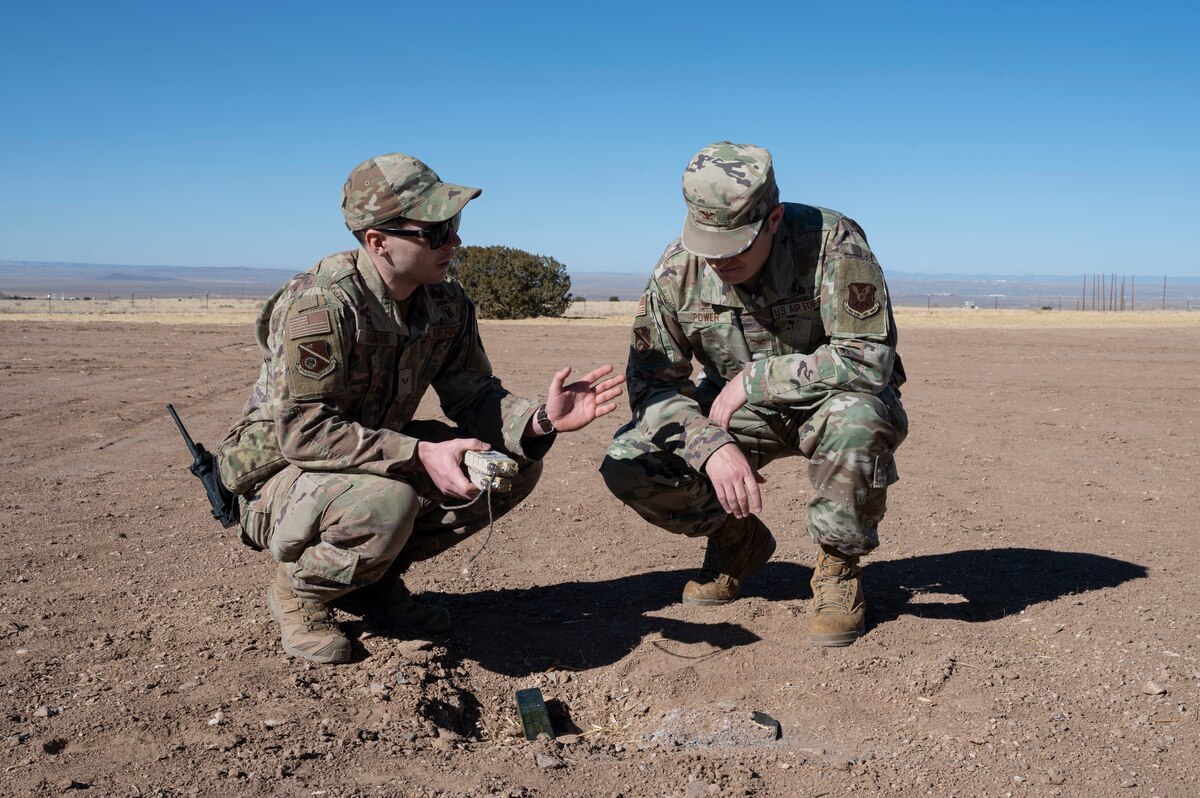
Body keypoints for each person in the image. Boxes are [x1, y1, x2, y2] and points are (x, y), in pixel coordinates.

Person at [216, 152, 625, 664]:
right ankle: (302, 591)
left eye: (453, 224)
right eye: (434, 231)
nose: (454, 241)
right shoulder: (321, 305)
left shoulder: (446, 301)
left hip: (365, 457)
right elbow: (304, 432)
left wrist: (541, 419)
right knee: (386, 501)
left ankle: (370, 580)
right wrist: (418, 452)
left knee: (510, 467)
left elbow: (473, 394)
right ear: (377, 241)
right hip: (280, 471)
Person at [600, 141, 907, 647]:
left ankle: (838, 567)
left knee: (858, 419)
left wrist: (756, 378)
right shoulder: (678, 270)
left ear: (773, 219)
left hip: (829, 402)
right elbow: (652, 383)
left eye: (734, 245)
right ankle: (736, 540)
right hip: (734, 414)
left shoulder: (833, 243)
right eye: (706, 243)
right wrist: (708, 445)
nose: (718, 261)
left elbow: (869, 359)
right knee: (631, 457)